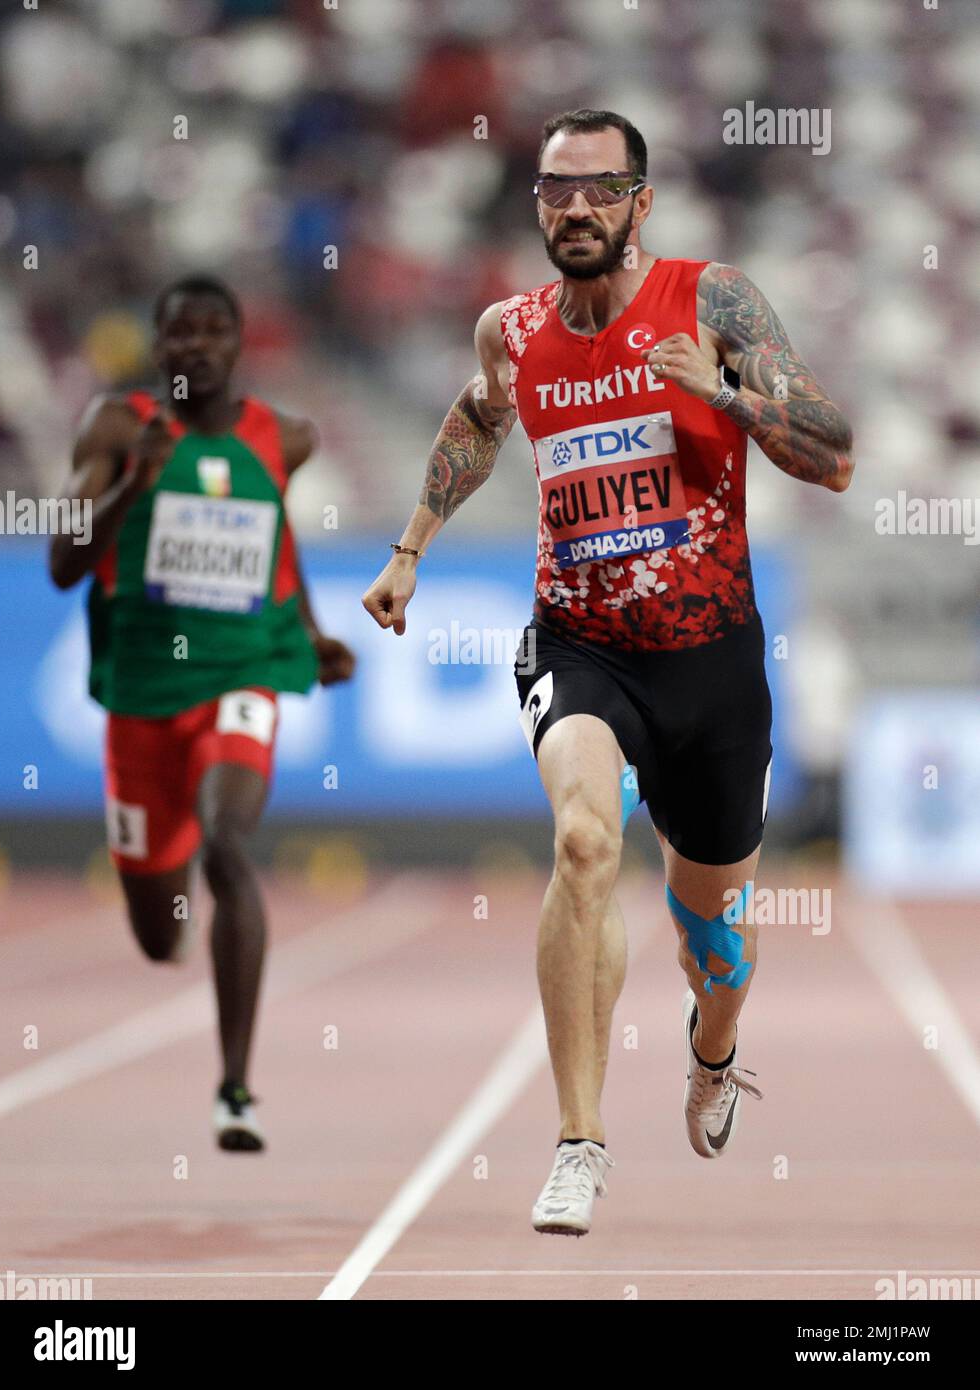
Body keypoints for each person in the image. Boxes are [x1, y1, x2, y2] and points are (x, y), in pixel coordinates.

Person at [363, 109, 854, 1235]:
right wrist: (407, 552)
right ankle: (579, 1141)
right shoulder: (512, 327)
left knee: (715, 946)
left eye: (599, 189)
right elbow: (478, 422)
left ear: (642, 201)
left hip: (711, 661)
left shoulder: (713, 300)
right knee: (584, 840)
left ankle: (714, 1050)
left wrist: (723, 392)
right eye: (554, 191)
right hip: (577, 643)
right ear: (536, 205)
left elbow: (835, 452)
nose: (574, 209)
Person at [50, 275, 356, 1151]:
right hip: (143, 693)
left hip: (243, 672)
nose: (194, 346)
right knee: (158, 936)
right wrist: (131, 486)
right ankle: (169, 877)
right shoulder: (116, 426)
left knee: (229, 843)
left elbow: (274, 534)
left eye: (212, 331)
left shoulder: (285, 437)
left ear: (238, 344)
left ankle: (235, 1088)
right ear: (157, 345)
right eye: (177, 331)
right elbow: (65, 565)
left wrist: (312, 633)